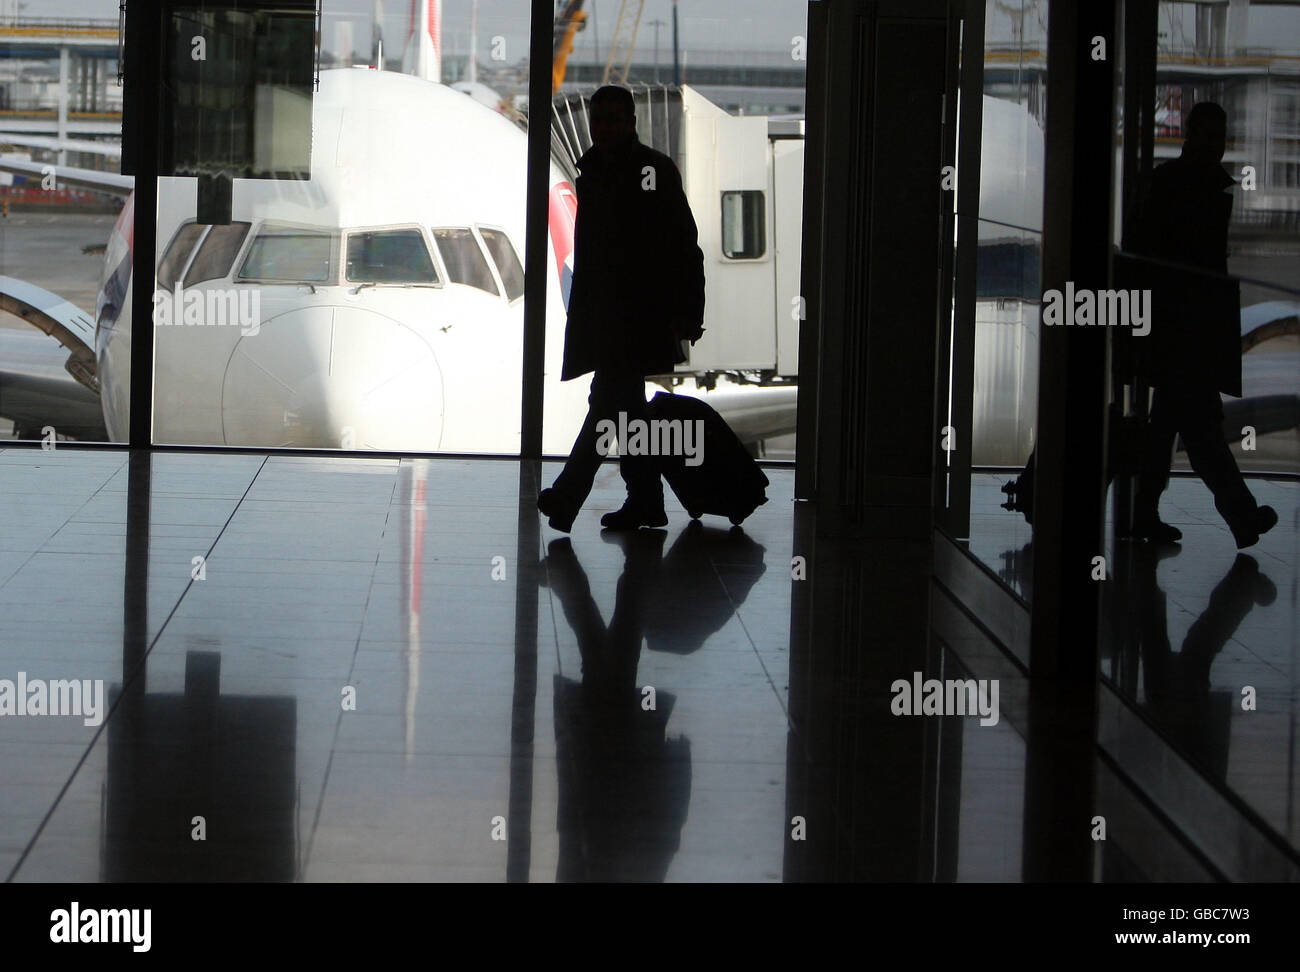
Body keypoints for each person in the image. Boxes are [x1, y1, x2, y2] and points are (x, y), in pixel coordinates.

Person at [537, 85, 705, 532]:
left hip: (632, 318)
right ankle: (644, 500)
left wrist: (690, 309)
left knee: (608, 404)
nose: (606, 128)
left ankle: (569, 496)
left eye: (614, 119)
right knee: (622, 409)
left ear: (631, 122)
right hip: (618, 317)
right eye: (601, 119)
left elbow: (683, 246)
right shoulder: (615, 170)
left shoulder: (633, 171)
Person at [1126, 102, 1277, 549]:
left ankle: (1149, 512)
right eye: (1210, 136)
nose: (1215, 145)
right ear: (1193, 136)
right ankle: (1239, 516)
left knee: (1173, 427)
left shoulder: (1168, 185)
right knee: (1198, 429)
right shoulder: (1201, 189)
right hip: (1188, 331)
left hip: (1174, 330)